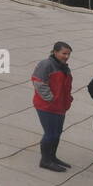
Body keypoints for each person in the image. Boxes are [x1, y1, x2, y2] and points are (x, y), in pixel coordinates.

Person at [32, 41, 74, 172]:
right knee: (50, 134)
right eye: (64, 53)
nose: (66, 56)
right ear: (55, 52)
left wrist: (67, 100)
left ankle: (52, 157)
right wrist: (51, 99)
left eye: (68, 54)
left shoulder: (63, 66)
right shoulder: (46, 64)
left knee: (57, 133)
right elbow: (38, 83)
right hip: (47, 107)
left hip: (60, 106)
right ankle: (45, 160)